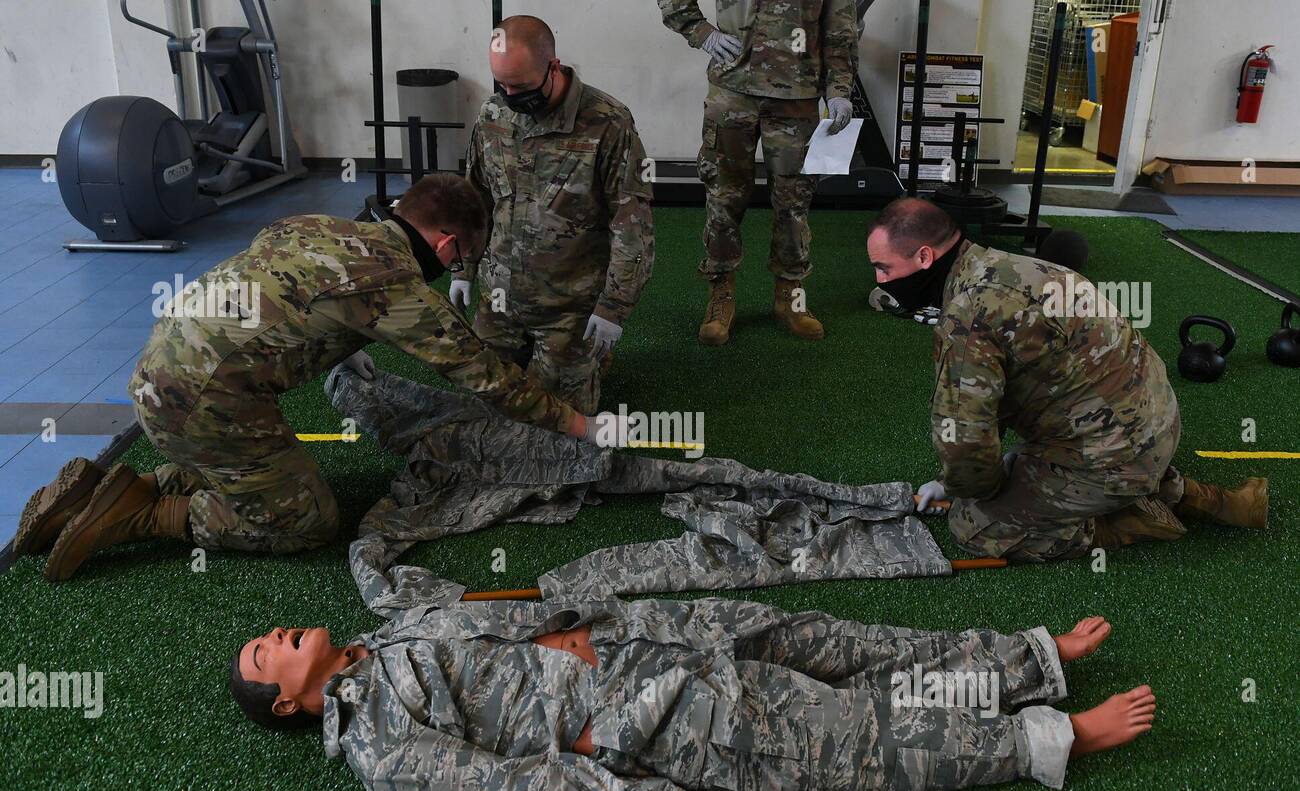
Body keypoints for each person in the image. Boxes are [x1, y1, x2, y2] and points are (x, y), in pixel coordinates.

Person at [18, 173, 621, 581]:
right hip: (202, 408)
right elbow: (489, 379)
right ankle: (144, 514)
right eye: (460, 257)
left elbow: (292, 290)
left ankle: (134, 479)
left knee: (244, 452)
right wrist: (578, 423)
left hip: (156, 376)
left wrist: (339, 349)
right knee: (308, 522)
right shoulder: (396, 289)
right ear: (444, 244)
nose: (456, 268)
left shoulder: (316, 226)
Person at [230, 599, 1153, 791]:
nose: (273, 637)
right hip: (661, 716)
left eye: (268, 634)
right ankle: (1057, 737)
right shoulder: (375, 749)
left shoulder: (387, 629)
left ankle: (1027, 661)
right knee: (858, 737)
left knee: (847, 645)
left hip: (662, 636)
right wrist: (617, 755)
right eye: (263, 655)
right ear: (285, 703)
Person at [867, 197, 1268, 562]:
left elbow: (966, 442)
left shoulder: (968, 316)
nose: (882, 281)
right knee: (1101, 453)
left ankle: (1128, 522)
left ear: (924, 257)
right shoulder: (1016, 266)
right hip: (1158, 423)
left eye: (884, 268)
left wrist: (963, 489)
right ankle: (1214, 502)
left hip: (1116, 453)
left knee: (974, 526)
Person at [461, 15, 655, 414]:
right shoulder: (493, 115)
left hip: (568, 306)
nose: (510, 95)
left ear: (554, 66)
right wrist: (463, 269)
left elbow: (630, 221)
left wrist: (614, 307)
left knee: (553, 424)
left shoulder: (608, 122)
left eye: (522, 86)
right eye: (503, 85)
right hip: (499, 295)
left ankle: (584, 360)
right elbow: (475, 197)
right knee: (481, 407)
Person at [659, 0, 860, 345]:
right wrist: (700, 31)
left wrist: (839, 90)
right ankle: (721, 293)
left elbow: (840, 31)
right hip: (733, 90)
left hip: (798, 95)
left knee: (794, 201)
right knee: (724, 195)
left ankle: (790, 297)